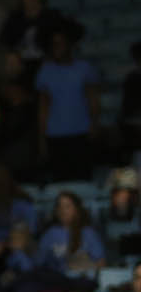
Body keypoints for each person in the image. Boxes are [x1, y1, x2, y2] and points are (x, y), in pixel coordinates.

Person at [35, 31, 100, 182]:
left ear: (69, 45)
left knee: (83, 180)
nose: (56, 47)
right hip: (55, 135)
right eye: (53, 44)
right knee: (60, 181)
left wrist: (95, 124)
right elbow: (43, 107)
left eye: (60, 43)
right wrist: (42, 139)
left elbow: (93, 99)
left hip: (81, 133)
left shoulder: (84, 68)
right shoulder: (45, 71)